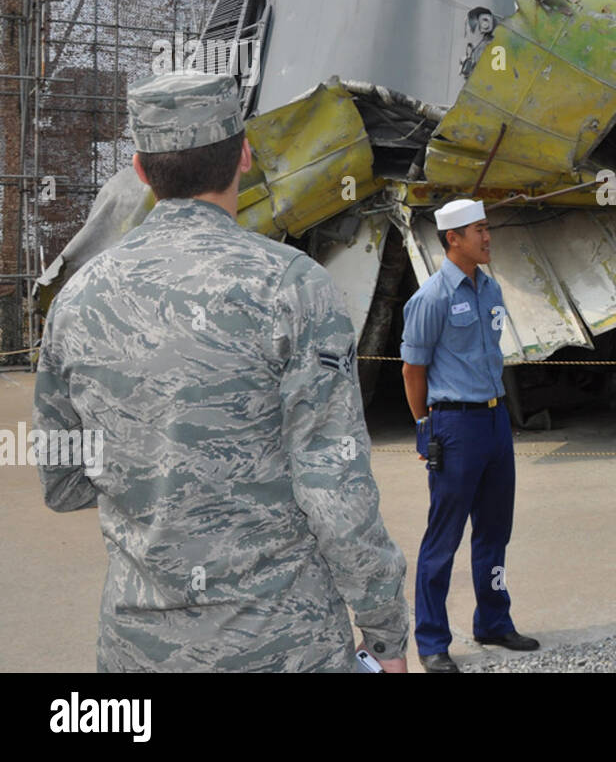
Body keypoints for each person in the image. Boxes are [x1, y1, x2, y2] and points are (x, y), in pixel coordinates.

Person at [32, 69, 408, 672]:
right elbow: (335, 488)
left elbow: (64, 482)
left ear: (140, 168)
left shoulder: (78, 299)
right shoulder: (292, 286)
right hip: (282, 644)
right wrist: (386, 635)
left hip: (138, 651)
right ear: (245, 155)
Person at [400, 199, 537, 673]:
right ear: (452, 239)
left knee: (495, 531)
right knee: (444, 537)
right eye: (479, 230)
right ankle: (433, 641)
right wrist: (425, 426)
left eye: (487, 228)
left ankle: (493, 621)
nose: (488, 237)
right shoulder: (431, 298)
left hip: (496, 422)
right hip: (455, 425)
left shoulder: (491, 289)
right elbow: (412, 370)